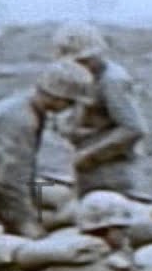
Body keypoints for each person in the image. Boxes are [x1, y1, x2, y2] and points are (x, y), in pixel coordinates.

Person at [0, 60, 93, 238]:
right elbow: (11, 180)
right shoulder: (20, 121)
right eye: (70, 103)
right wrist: (26, 224)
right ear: (57, 97)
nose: (70, 108)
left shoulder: (26, 108)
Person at [51, 22, 147, 197]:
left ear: (97, 54)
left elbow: (133, 129)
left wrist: (88, 155)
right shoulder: (82, 78)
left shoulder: (113, 81)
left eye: (84, 61)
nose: (80, 66)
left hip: (113, 170)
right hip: (86, 167)